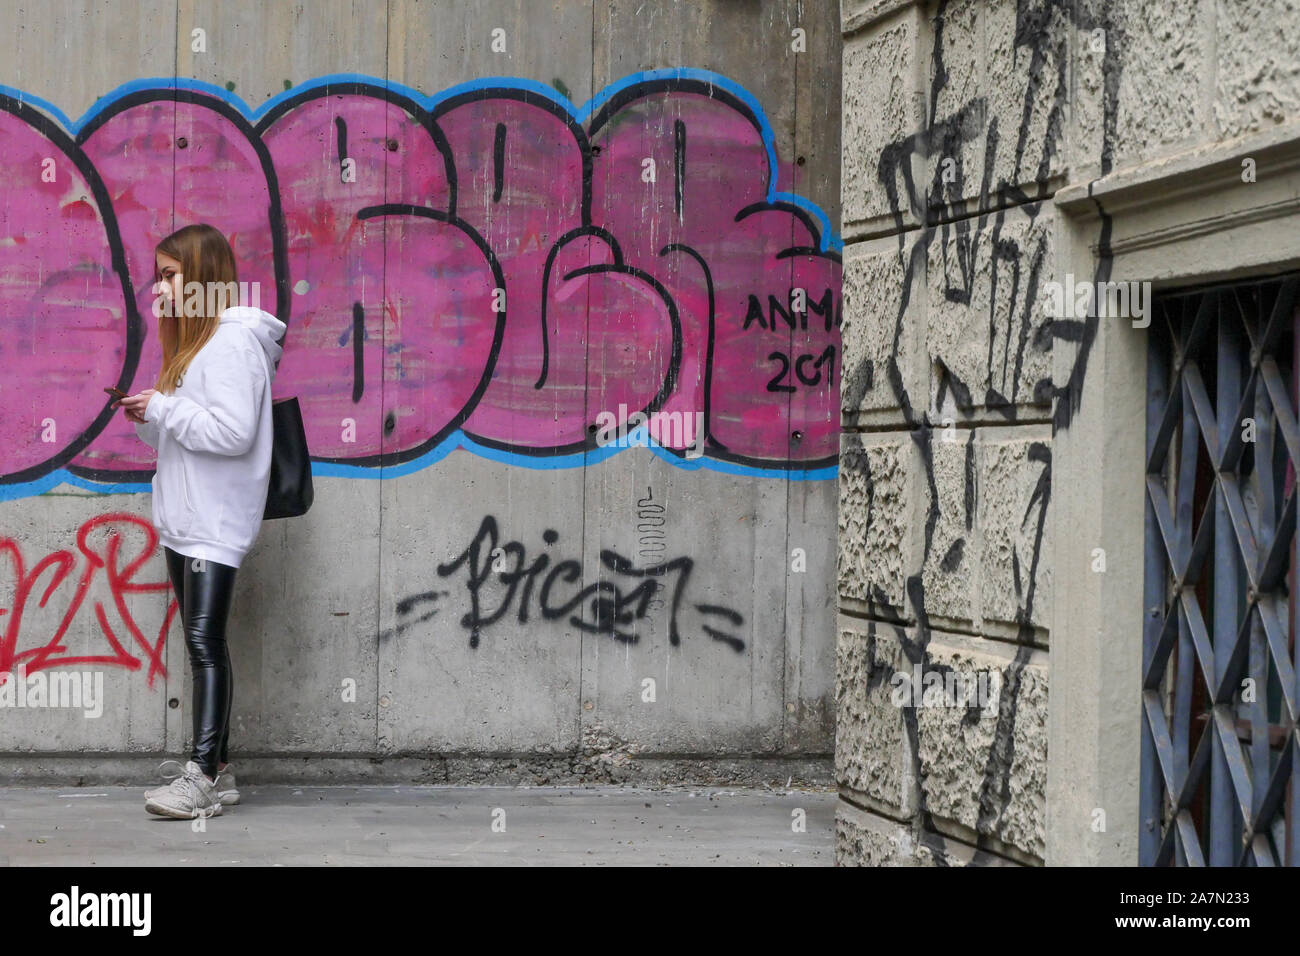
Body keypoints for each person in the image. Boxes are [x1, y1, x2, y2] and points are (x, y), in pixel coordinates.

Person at [115, 223, 285, 820]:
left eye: (169, 274)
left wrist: (164, 406)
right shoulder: (198, 345)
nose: (158, 287)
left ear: (202, 277)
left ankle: (202, 775)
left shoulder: (233, 343)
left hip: (215, 520)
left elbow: (235, 434)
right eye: (157, 275)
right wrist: (151, 415)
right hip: (187, 518)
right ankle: (222, 767)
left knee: (203, 643)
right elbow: (192, 431)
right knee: (202, 644)